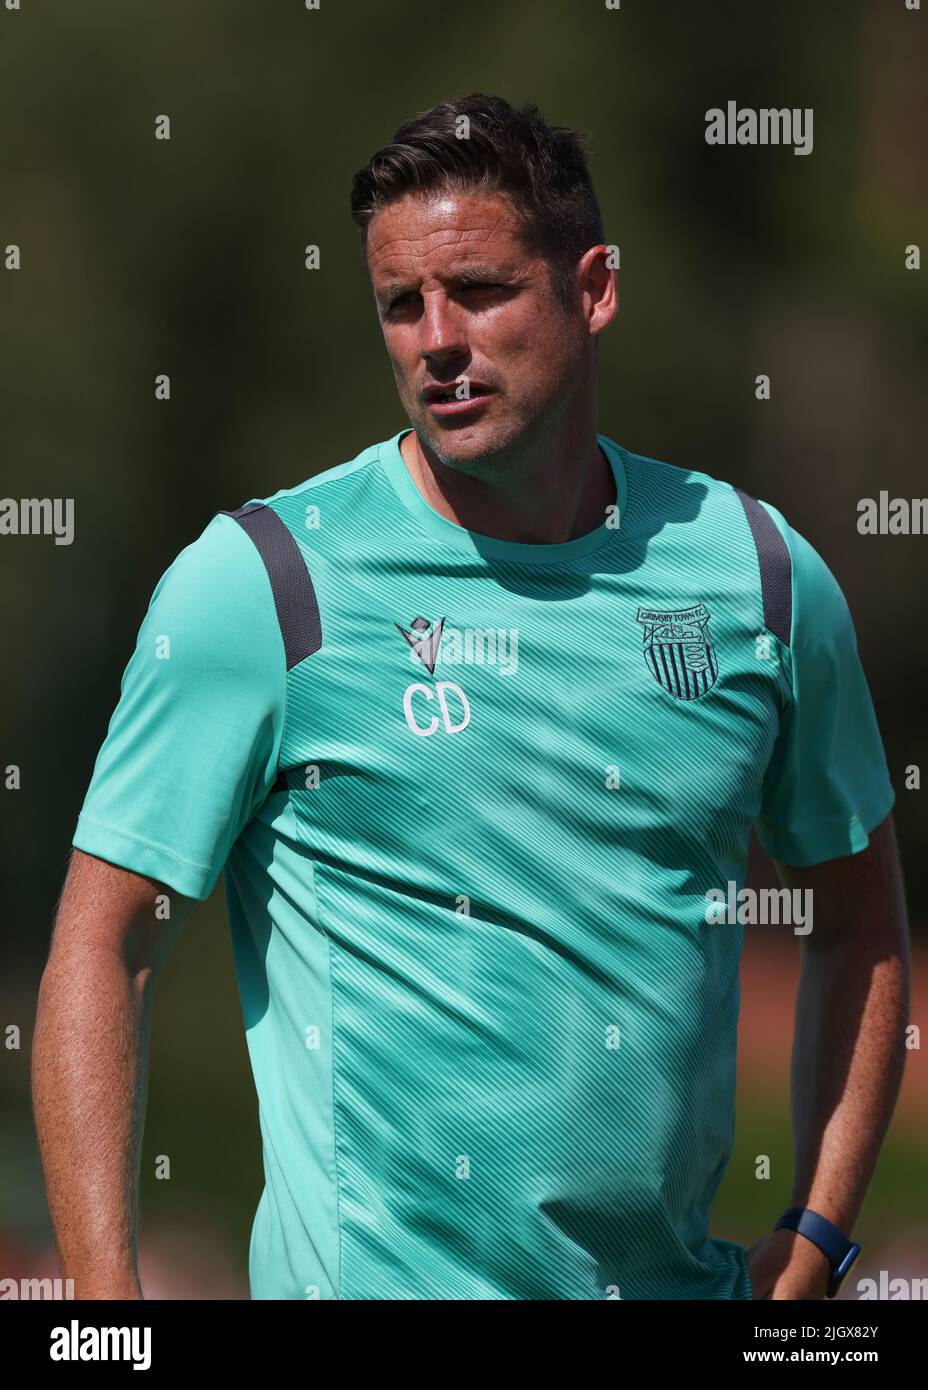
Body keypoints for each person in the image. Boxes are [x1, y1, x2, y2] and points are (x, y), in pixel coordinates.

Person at [33, 94, 910, 1301]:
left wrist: (815, 1238)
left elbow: (860, 922)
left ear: (592, 288)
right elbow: (102, 940)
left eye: (482, 291)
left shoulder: (759, 575)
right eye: (401, 305)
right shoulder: (261, 585)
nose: (436, 339)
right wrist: (101, 1310)